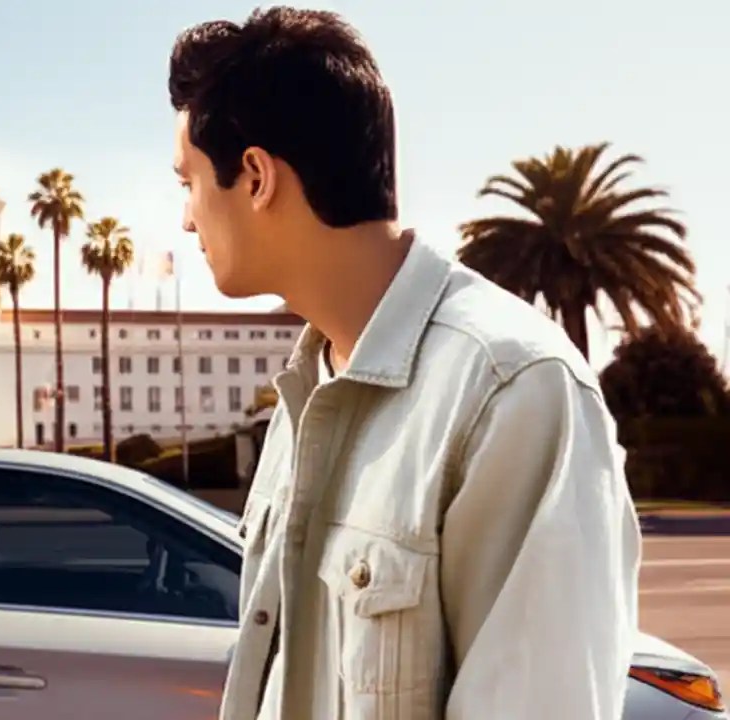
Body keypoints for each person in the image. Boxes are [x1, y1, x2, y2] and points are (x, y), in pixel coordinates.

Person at [168, 7, 641, 720]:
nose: (185, 217)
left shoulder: (512, 391)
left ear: (257, 176)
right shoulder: (305, 398)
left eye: (189, 183)